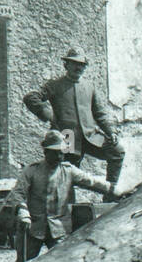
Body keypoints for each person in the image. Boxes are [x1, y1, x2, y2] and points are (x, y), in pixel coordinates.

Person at [23, 47, 124, 195]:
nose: (78, 67)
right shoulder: (55, 85)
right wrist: (48, 114)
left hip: (90, 136)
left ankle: (110, 194)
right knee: (66, 173)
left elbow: (100, 113)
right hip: (67, 137)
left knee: (117, 151)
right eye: (74, 63)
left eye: (82, 64)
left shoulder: (89, 87)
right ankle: (68, 207)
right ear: (66, 65)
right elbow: (30, 97)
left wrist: (111, 131)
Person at [9, 130, 121, 261]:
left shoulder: (68, 171)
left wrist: (116, 190)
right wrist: (22, 211)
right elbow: (17, 193)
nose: (60, 155)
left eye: (62, 152)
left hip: (59, 229)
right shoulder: (32, 170)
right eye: (55, 152)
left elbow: (92, 182)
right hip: (34, 227)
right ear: (46, 152)